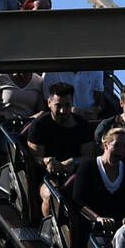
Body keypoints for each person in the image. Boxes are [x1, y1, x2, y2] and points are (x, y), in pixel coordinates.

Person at [25, 81, 94, 219]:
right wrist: (47, 161)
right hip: (47, 178)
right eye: (58, 106)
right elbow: (33, 157)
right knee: (52, 196)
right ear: (49, 103)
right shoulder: (39, 126)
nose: (63, 111)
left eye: (67, 105)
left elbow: (89, 156)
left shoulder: (82, 125)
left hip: (76, 176)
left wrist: (74, 161)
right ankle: (51, 231)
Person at [72, 126, 125, 234]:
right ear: (106, 145)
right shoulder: (88, 167)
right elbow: (77, 200)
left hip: (121, 230)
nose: (121, 150)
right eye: (117, 145)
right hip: (92, 229)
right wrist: (97, 218)